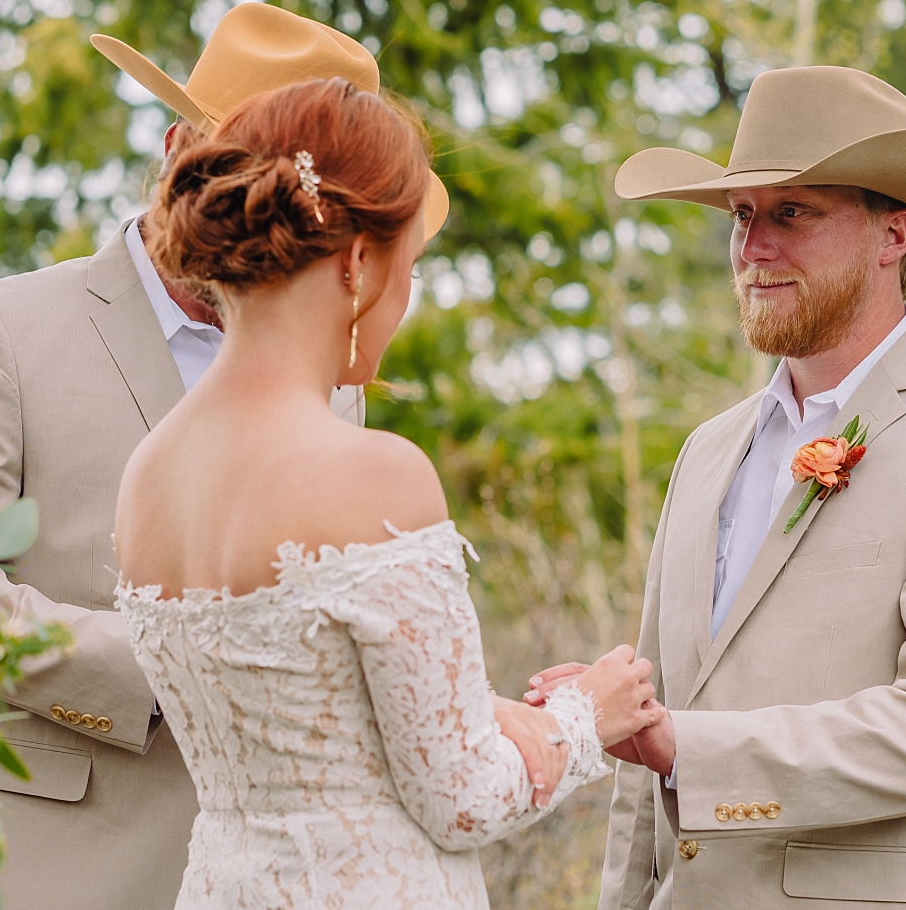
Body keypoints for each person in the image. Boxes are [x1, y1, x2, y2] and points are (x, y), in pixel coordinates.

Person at [0, 4, 467, 910]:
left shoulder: (336, 382)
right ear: (178, 148)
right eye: (235, 175)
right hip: (53, 870)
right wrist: (169, 671)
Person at [531, 66, 906, 909]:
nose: (752, 249)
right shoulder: (706, 453)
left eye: (792, 213)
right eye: (743, 217)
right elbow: (652, 757)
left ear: (894, 234)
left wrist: (687, 746)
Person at [111, 75, 663, 908]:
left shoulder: (149, 470)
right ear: (360, 261)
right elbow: (465, 800)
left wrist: (477, 710)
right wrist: (586, 715)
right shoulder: (374, 472)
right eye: (410, 263)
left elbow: (300, 702)